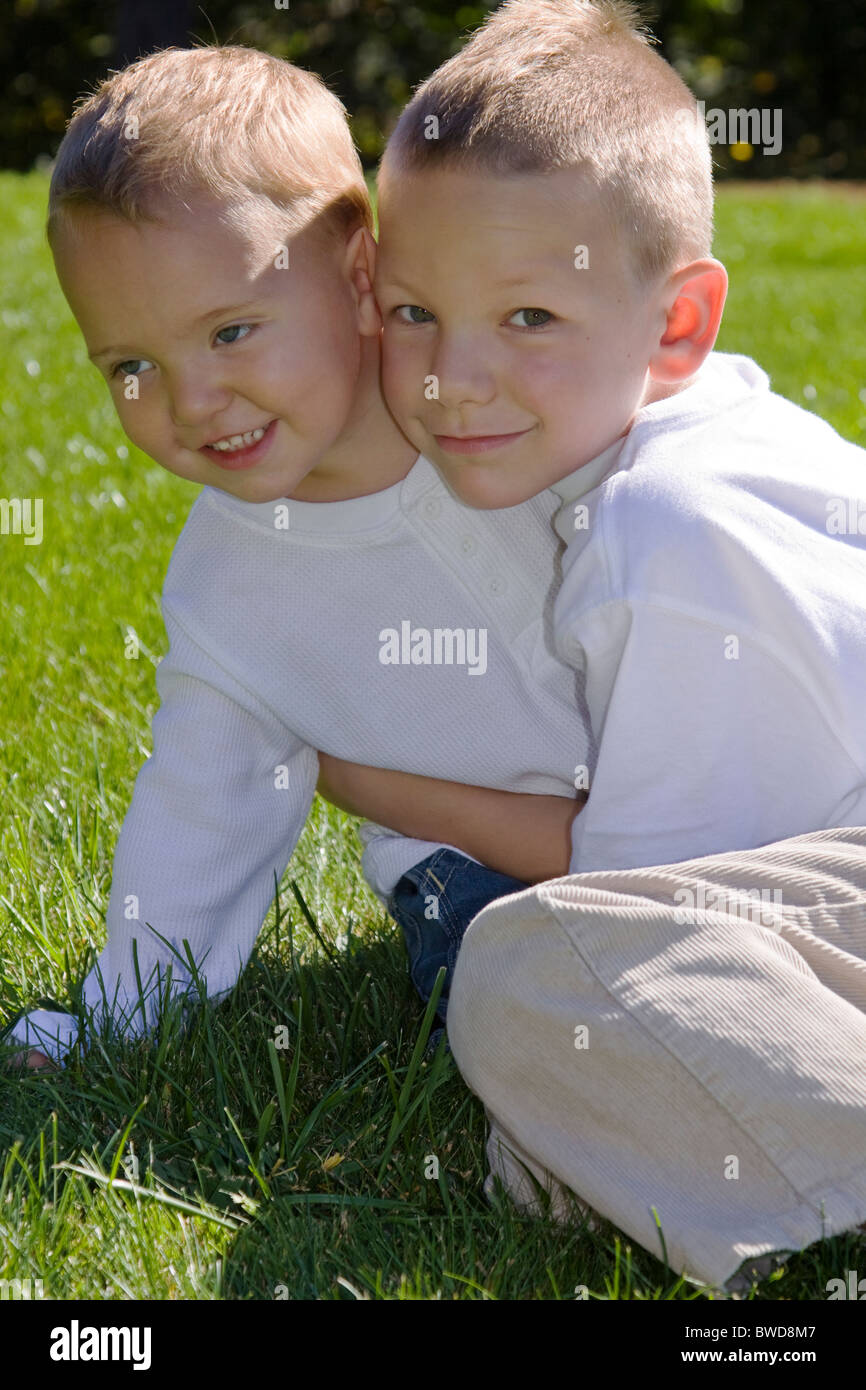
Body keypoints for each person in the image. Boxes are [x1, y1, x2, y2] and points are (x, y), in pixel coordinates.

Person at [317, 0, 866, 1289]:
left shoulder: (661, 536)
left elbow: (636, 914)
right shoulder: (723, 431)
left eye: (528, 321)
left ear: (673, 325)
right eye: (411, 315)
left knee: (527, 981)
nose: (454, 379)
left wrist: (360, 776)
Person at [3, 42, 591, 1070]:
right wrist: (122, 1007)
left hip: (718, 783)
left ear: (359, 276)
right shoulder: (232, 586)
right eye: (131, 365)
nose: (190, 402)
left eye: (230, 332)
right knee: (541, 996)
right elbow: (202, 803)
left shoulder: (502, 402)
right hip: (483, 874)